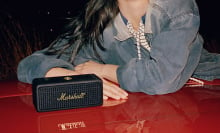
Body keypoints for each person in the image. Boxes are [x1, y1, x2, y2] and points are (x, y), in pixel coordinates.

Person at [17, 0, 220, 100]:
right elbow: (30, 64)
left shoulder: (177, 9)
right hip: (130, 114)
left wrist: (103, 71)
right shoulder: (98, 23)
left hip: (204, 91)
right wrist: (64, 75)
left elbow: (161, 80)